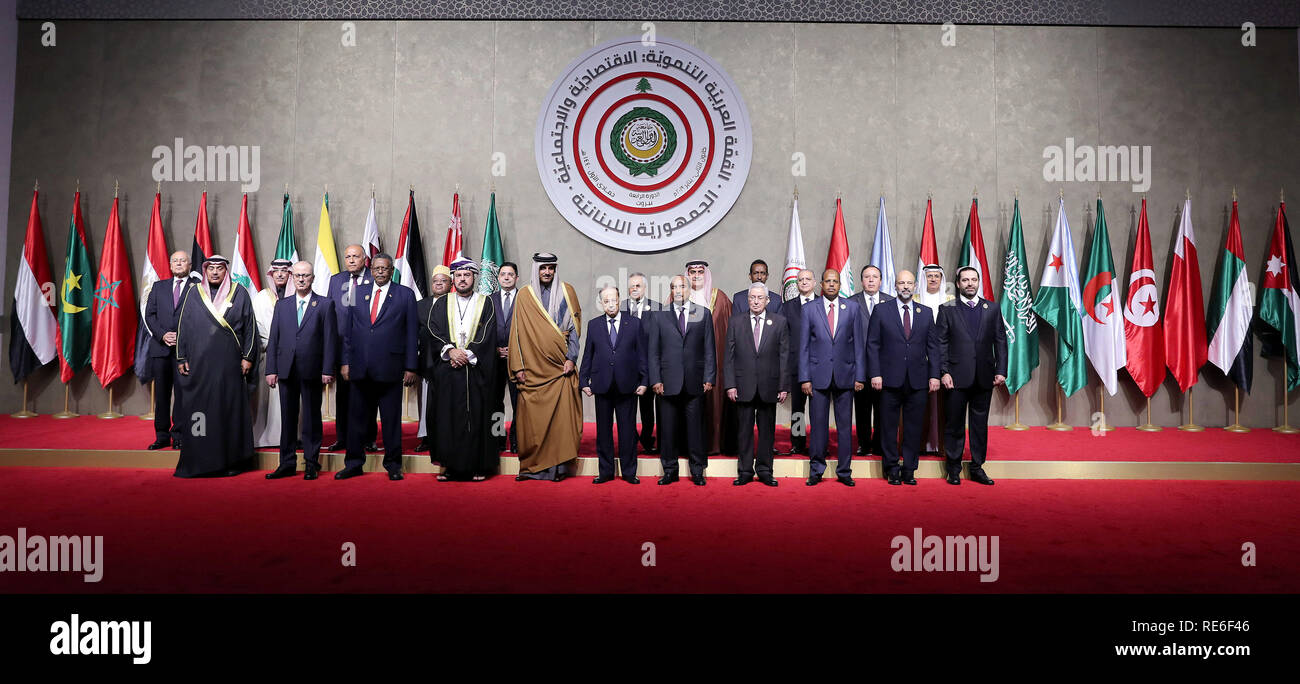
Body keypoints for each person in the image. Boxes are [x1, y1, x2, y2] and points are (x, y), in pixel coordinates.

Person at [173, 255, 258, 478]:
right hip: (199, 366)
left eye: (219, 269)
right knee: (199, 414)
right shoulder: (193, 292)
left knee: (228, 412)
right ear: (205, 270)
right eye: (210, 268)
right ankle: (200, 461)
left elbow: (250, 328)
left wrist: (248, 357)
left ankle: (232, 461)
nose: (214, 272)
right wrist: (181, 357)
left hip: (229, 366)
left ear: (225, 271)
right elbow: (183, 325)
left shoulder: (240, 292)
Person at [338, 253, 418, 481]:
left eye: (385, 269)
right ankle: (353, 463)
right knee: (356, 420)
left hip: (390, 369)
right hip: (359, 368)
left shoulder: (405, 295)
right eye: (376, 268)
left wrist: (411, 366)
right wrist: (345, 361)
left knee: (391, 421)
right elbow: (348, 331)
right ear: (370, 270)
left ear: (391, 270)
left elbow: (412, 333)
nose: (380, 272)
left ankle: (393, 465)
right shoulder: (358, 292)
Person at [509, 253, 583, 482]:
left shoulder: (567, 291)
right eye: (543, 268)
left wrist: (571, 358)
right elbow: (517, 334)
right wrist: (518, 366)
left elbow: (574, 330)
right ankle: (531, 469)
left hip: (560, 368)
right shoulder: (524, 295)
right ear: (536, 269)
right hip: (532, 370)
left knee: (561, 422)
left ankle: (558, 469)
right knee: (532, 423)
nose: (547, 272)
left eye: (551, 268)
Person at [427, 259, 499, 481]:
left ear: (474, 278)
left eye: (467, 275)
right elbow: (433, 329)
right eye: (458, 276)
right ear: (453, 279)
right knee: (447, 419)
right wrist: (450, 351)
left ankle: (478, 466)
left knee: (476, 419)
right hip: (448, 371)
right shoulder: (441, 303)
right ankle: (449, 467)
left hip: (475, 373)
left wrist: (467, 354)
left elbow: (488, 333)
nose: (462, 279)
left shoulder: (484, 302)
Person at [867, 270, 941, 486]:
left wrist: (934, 375)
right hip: (888, 380)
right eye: (901, 283)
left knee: (913, 427)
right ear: (895, 285)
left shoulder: (926, 313)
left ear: (915, 285)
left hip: (918, 380)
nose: (906, 286)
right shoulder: (881, 311)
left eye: (909, 283)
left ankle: (909, 469)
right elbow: (872, 345)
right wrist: (875, 373)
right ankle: (891, 468)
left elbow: (933, 348)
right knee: (888, 427)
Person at [264, 261, 336, 480]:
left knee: (312, 418)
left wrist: (327, 369)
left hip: (313, 370)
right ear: (291, 278)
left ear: (313, 278)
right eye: (297, 275)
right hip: (286, 370)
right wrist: (271, 369)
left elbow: (330, 340)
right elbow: (274, 339)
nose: (301, 279)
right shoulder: (282, 305)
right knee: (288, 418)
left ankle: (312, 463)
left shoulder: (324, 304)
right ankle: (286, 463)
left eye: (305, 275)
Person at [936, 266, 1006, 486]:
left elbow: (1000, 341)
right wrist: (944, 371)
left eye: (973, 280)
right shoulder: (947, 308)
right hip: (955, 378)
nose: (969, 283)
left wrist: (1001, 370)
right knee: (954, 424)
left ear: (978, 282)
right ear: (957, 284)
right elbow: (941, 343)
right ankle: (954, 469)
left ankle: (977, 467)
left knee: (979, 425)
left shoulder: (992, 308)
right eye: (965, 280)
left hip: (984, 377)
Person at [798, 269, 865, 487]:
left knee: (845, 427)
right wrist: (804, 378)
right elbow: (803, 348)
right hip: (817, 377)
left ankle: (844, 471)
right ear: (821, 284)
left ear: (840, 284)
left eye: (835, 281)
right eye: (828, 281)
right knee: (817, 426)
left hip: (846, 376)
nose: (832, 285)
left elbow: (858, 346)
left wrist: (860, 376)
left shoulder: (853, 308)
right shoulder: (809, 309)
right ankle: (816, 469)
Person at [647, 275, 714, 485]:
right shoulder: (659, 316)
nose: (678, 290)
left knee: (695, 430)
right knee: (667, 430)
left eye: (682, 286)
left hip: (695, 382)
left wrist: (709, 377)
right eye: (674, 287)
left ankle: (697, 471)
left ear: (689, 289)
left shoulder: (703, 314)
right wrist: (655, 379)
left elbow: (709, 350)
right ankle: (669, 470)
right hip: (667, 383)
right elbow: (653, 352)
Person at [581, 286, 648, 484]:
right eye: (606, 301)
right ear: (601, 303)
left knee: (627, 431)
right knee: (603, 431)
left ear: (620, 300)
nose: (611, 304)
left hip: (627, 384)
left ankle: (629, 472)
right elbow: (588, 354)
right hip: (602, 384)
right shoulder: (594, 325)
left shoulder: (634, 323)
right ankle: (605, 471)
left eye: (614, 300)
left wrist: (644, 380)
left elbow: (642, 355)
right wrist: (584, 380)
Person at [725, 283, 789, 486]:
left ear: (768, 300)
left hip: (769, 386)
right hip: (743, 385)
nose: (755, 301)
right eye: (752, 297)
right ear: (747, 299)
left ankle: (764, 470)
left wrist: (783, 385)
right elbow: (729, 357)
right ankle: (744, 471)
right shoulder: (736, 322)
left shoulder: (779, 322)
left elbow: (784, 356)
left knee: (767, 432)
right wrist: (730, 385)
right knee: (743, 431)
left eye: (760, 298)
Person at [143, 251, 197, 450]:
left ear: (189, 264)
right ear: (170, 264)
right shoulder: (158, 287)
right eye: (175, 260)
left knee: (183, 394)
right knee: (162, 395)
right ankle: (162, 435)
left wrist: (181, 338)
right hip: (161, 349)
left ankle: (180, 435)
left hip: (186, 351)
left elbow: (199, 318)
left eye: (183, 260)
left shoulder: (197, 288)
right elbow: (150, 315)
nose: (179, 263)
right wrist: (162, 335)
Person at [326, 244, 376, 452]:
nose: (351, 260)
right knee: (343, 395)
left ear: (365, 259)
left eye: (356, 256)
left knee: (368, 394)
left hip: (367, 347)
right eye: (348, 257)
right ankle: (343, 438)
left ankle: (368, 438)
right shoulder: (336, 280)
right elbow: (330, 312)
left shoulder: (375, 279)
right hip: (341, 347)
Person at [684, 259, 732, 455]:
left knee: (713, 402)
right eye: (692, 272)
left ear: (706, 274)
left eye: (700, 272)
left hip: (714, 361)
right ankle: (688, 445)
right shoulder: (676, 296)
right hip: (686, 364)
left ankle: (713, 443)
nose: (696, 275)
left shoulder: (719, 298)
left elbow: (729, 331)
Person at [848, 265, 893, 456]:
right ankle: (864, 443)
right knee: (862, 408)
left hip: (885, 367)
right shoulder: (850, 303)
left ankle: (880, 443)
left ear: (881, 281)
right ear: (861, 281)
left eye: (875, 277)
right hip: (860, 366)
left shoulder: (891, 302)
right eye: (867, 277)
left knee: (883, 408)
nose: (871, 280)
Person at [252, 259, 293, 448]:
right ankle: (267, 436)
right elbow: (256, 327)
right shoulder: (261, 296)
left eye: (284, 271)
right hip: (268, 354)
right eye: (275, 271)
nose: (279, 274)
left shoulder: (299, 295)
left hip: (293, 356)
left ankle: (293, 435)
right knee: (267, 399)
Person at [621, 272, 662, 455]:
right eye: (632, 286)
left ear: (645, 288)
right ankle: (629, 440)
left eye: (638, 285)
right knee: (627, 408)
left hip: (649, 368)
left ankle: (647, 440)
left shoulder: (657, 308)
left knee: (647, 409)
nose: (634, 289)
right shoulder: (620, 307)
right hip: (627, 368)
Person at [414, 264, 452, 453]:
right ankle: (426, 437)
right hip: (426, 362)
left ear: (450, 283)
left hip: (449, 362)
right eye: (435, 281)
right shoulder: (421, 305)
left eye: (443, 281)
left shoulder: (455, 303)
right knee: (426, 402)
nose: (438, 284)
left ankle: (445, 437)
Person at [916, 263, 954, 454]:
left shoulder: (951, 300)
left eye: (936, 276)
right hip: (919, 361)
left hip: (944, 360)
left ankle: (940, 445)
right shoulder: (914, 299)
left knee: (943, 407)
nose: (932, 279)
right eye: (929, 276)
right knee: (921, 406)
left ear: (942, 279)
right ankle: (922, 444)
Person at [782, 268, 818, 455]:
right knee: (797, 408)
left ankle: (818, 444)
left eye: (807, 279)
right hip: (796, 366)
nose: (804, 282)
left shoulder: (823, 303)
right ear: (796, 283)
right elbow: (785, 340)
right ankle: (798, 442)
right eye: (800, 279)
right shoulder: (788, 307)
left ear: (814, 282)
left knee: (818, 409)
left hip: (820, 366)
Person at [490, 261, 520, 453]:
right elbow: (483, 330)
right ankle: (498, 439)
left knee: (520, 402)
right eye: (503, 274)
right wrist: (495, 349)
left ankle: (516, 439)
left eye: (510, 274)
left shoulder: (525, 299)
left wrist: (516, 350)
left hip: (517, 360)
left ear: (517, 278)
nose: (507, 277)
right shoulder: (488, 300)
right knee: (495, 402)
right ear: (498, 278)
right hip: (494, 360)